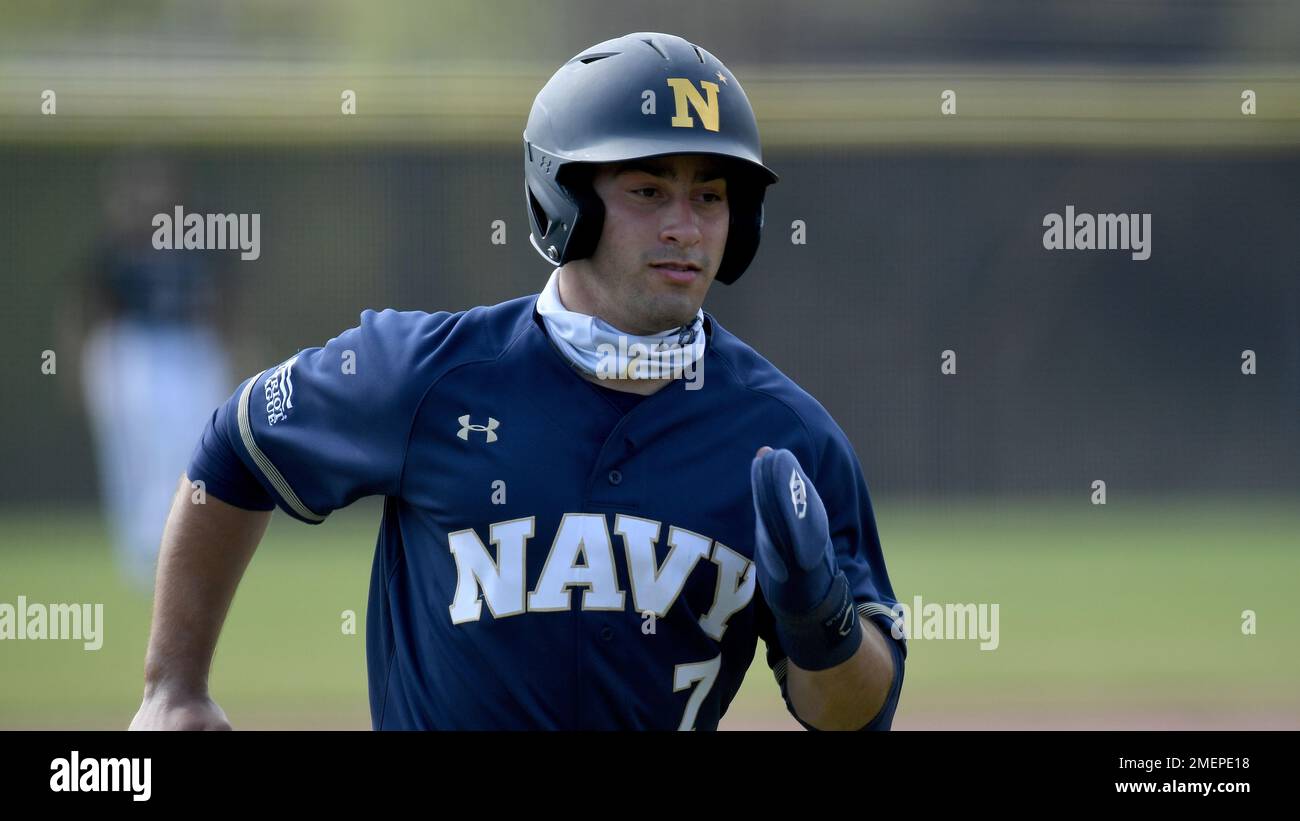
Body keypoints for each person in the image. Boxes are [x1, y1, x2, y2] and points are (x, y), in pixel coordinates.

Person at [130, 31, 905, 731]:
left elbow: (854, 714)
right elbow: (236, 447)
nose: (685, 226)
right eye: (648, 191)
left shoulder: (788, 439)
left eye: (710, 196)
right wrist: (174, 686)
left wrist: (822, 621)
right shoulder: (424, 375)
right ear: (564, 201)